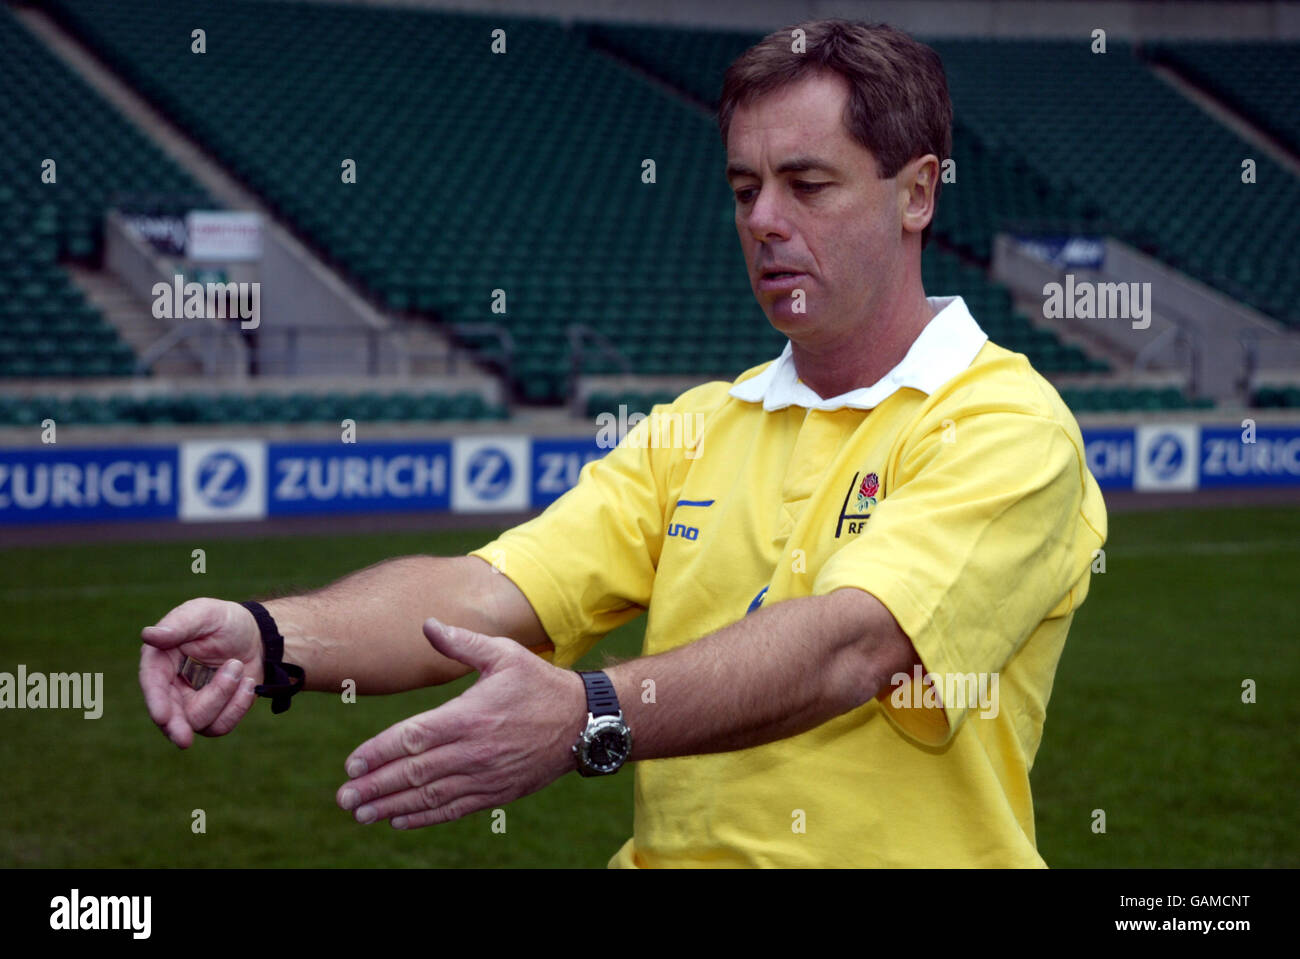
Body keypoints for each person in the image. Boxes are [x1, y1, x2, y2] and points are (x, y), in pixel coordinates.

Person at [139, 19, 1107, 867]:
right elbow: (493, 592)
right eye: (743, 188)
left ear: (917, 193)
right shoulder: (698, 426)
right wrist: (270, 635)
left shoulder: (1005, 424)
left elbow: (850, 646)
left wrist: (587, 713)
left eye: (806, 184)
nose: (763, 220)